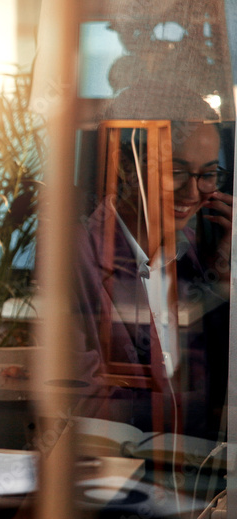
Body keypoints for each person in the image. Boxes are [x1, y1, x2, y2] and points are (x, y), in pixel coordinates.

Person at [72, 120, 232, 440]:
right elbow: (81, 401)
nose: (193, 192)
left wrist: (225, 276)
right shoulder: (79, 253)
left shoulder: (194, 252)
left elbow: (215, 377)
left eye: (208, 174)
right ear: (125, 167)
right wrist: (201, 412)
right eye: (176, 171)